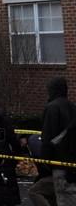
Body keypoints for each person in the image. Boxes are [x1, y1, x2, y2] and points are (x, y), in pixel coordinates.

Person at [42, 77, 76, 206]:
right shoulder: (72, 107)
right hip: (72, 162)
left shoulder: (52, 108)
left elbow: (48, 137)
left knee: (63, 198)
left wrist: (45, 161)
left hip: (59, 161)